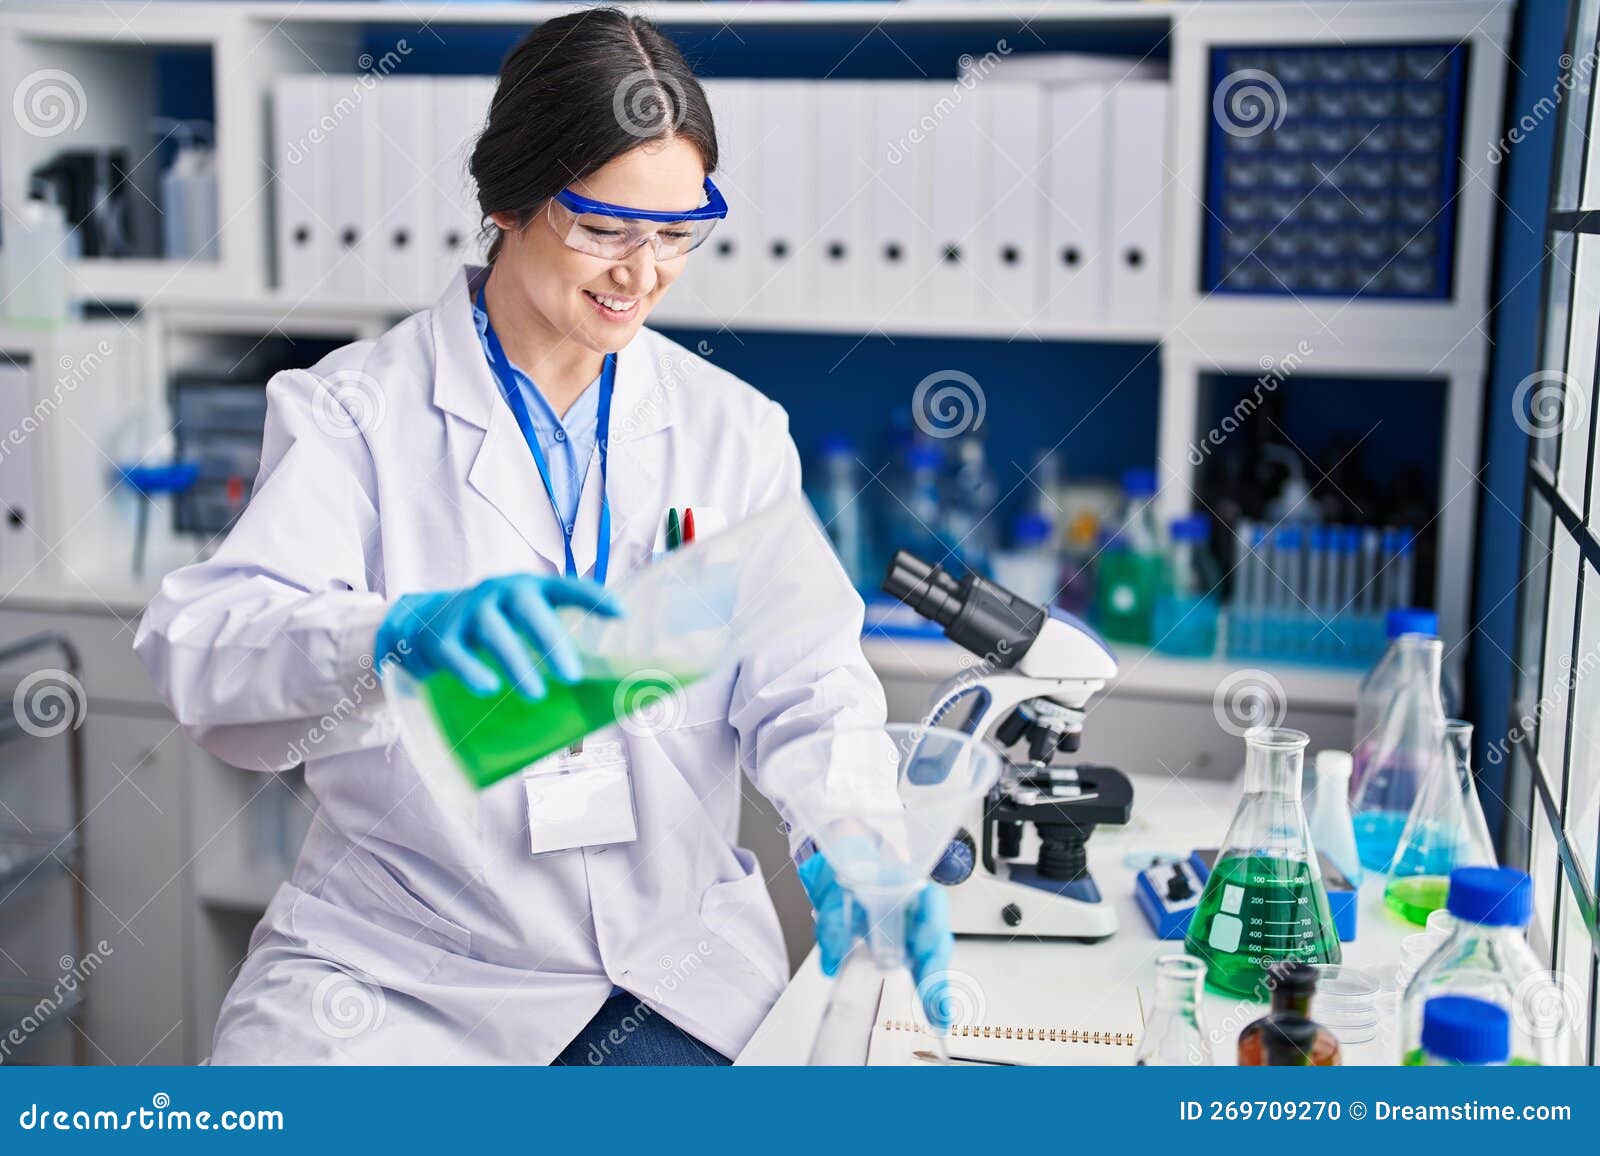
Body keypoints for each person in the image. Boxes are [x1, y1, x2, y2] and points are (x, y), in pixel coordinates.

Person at [135, 9, 951, 1065]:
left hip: (669, 970)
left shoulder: (732, 432)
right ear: (508, 200)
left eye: (675, 234)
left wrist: (856, 840)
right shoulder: (353, 413)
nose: (641, 273)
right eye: (605, 228)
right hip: (399, 975)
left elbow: (807, 683)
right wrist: (393, 634)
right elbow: (199, 647)